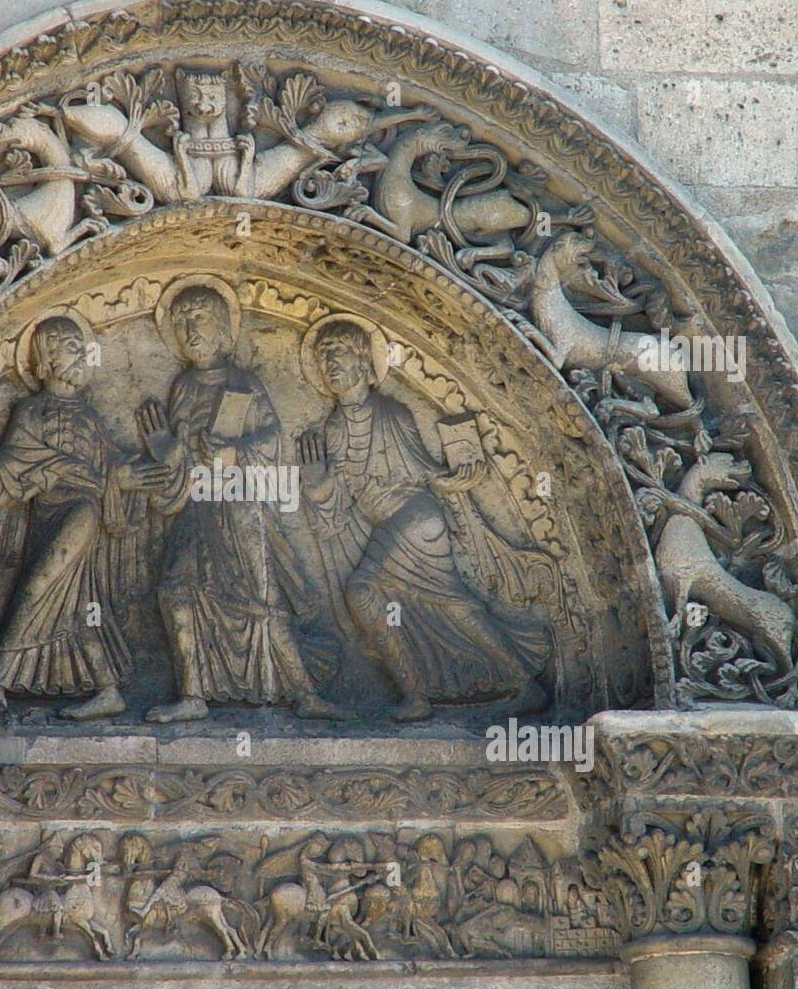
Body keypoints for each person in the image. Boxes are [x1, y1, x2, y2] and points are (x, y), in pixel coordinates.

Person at [0, 312, 169, 719]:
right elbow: (9, 468)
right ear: (47, 359)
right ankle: (108, 689)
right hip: (43, 516)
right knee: (75, 603)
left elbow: (105, 466)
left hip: (82, 511)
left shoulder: (89, 417)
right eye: (73, 349)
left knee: (36, 588)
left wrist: (130, 476)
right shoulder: (31, 412)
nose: (83, 356)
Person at [298, 316, 551, 721]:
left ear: (364, 361)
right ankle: (516, 683)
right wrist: (314, 485)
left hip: (415, 518)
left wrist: (457, 481)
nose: (329, 361)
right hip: (391, 525)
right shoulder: (333, 425)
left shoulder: (391, 412)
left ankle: (420, 695)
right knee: (447, 602)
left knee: (364, 591)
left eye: (338, 352)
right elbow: (337, 503)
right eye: (322, 354)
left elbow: (422, 471)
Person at [137, 275, 345, 723]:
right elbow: (180, 465)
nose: (192, 331)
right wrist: (167, 450)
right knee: (177, 590)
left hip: (241, 502)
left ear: (226, 329)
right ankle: (193, 694)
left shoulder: (243, 382)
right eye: (183, 323)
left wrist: (234, 451)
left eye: (202, 320)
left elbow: (273, 439)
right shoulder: (183, 387)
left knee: (262, 597)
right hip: (198, 506)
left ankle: (304, 693)